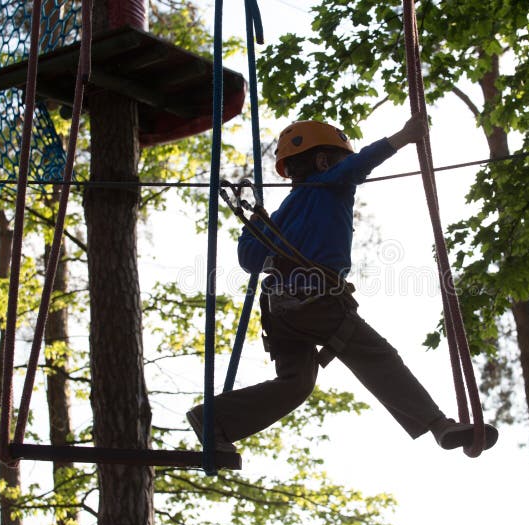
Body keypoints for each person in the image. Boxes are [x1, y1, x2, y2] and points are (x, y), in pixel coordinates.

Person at [187, 114, 498, 454]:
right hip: (314, 302)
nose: (347, 170)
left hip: (280, 311)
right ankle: (438, 425)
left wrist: (258, 228)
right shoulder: (331, 185)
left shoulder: (279, 217)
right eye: (340, 161)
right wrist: (403, 136)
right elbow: (359, 165)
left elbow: (248, 259)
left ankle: (212, 420)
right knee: (376, 356)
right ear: (323, 162)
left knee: (296, 385)